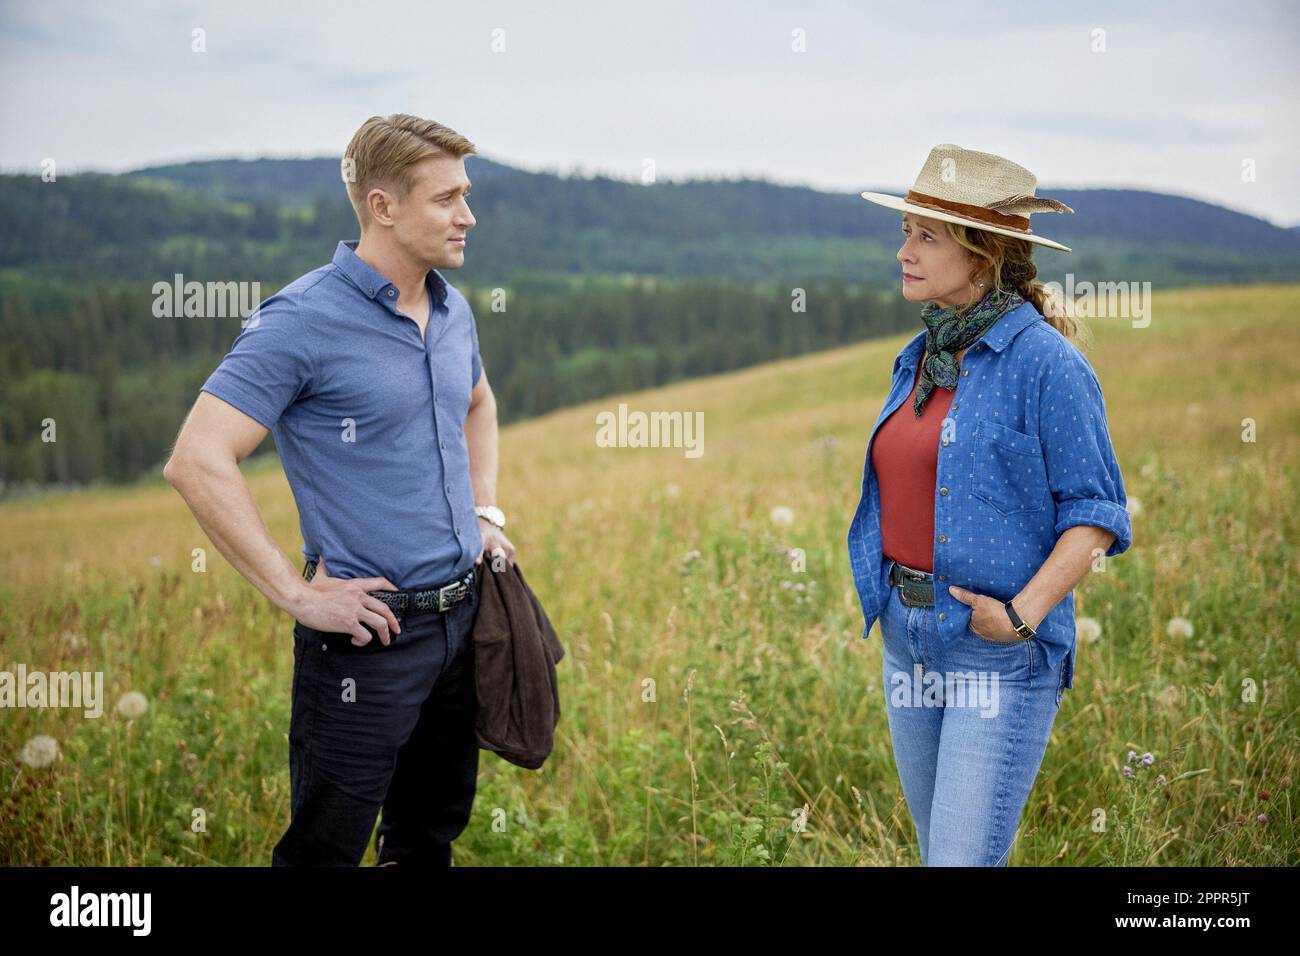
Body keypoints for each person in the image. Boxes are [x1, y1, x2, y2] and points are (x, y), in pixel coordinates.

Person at [163, 113, 516, 866]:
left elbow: (478, 404)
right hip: (365, 641)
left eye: (467, 194)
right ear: (382, 206)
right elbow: (197, 460)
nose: (468, 215)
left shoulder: (451, 311)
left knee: (427, 838)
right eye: (447, 198)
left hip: (463, 622)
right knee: (325, 852)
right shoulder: (300, 320)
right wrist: (297, 595)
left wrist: (485, 512)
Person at [846, 144, 1133, 866]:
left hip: (994, 651)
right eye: (906, 230)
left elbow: (1097, 511)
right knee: (940, 854)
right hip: (907, 641)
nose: (904, 251)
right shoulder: (919, 357)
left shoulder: (1048, 365)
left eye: (926, 235)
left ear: (981, 256)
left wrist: (1018, 616)